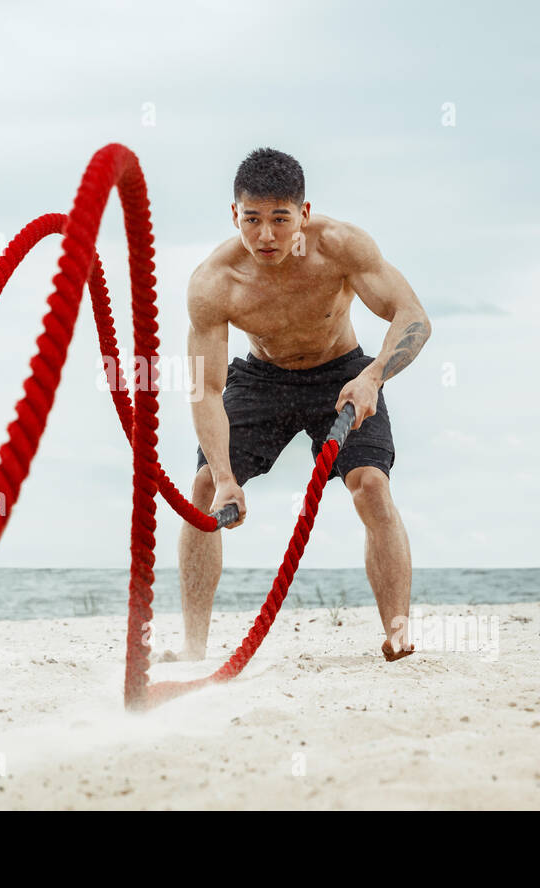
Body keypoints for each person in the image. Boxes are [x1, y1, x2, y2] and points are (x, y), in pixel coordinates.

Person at [161, 147, 430, 665]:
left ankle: (397, 637)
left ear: (303, 214)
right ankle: (194, 645)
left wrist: (373, 377)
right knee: (200, 490)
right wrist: (223, 477)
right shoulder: (214, 283)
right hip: (262, 379)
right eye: (253, 219)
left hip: (343, 371)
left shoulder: (341, 247)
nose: (266, 236)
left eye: (280, 220)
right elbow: (205, 389)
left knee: (371, 486)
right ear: (234, 214)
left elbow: (412, 316)